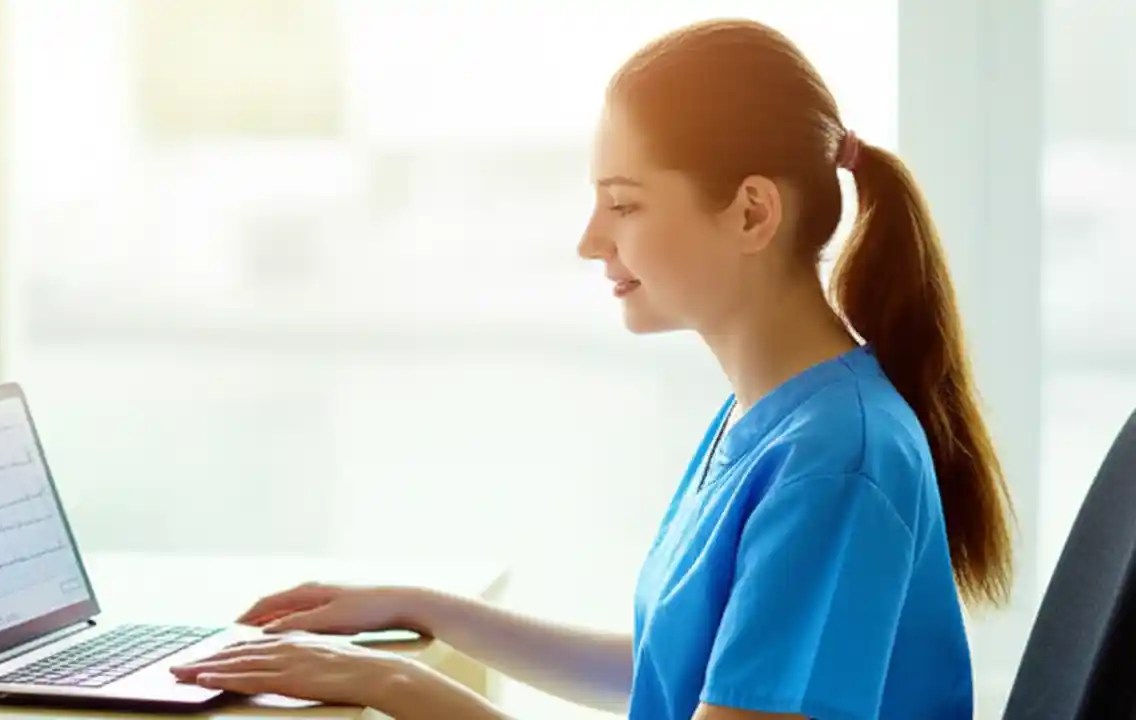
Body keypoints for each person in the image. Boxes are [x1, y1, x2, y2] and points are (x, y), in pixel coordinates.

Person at [170, 18, 1014, 720]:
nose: (590, 240)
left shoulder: (834, 461)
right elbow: (665, 677)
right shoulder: (771, 420)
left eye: (624, 204)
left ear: (752, 211)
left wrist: (392, 684)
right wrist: (423, 607)